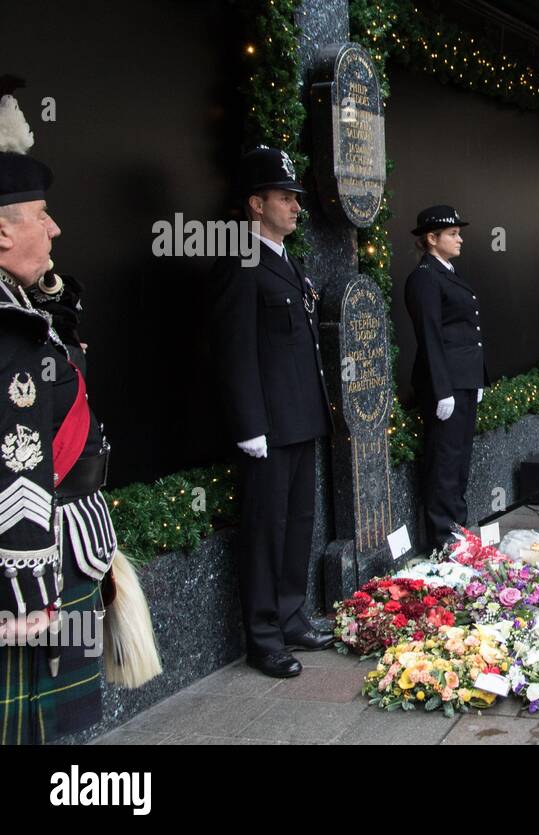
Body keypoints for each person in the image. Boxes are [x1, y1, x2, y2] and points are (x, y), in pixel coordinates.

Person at [1, 96, 118, 742]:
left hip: (63, 543)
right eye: (41, 216)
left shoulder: (29, 306)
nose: (55, 229)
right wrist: (26, 586)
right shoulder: (10, 328)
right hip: (32, 566)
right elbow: (18, 459)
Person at [209, 146, 336, 679]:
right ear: (255, 205)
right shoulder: (242, 264)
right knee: (265, 530)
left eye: (295, 198)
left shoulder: (288, 261)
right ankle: (263, 636)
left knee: (299, 522)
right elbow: (234, 350)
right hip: (268, 425)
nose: (294, 207)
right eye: (284, 198)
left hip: (301, 416)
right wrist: (250, 425)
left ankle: (290, 615)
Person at [405, 205, 487, 551]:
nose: (459, 238)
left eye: (458, 232)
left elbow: (469, 332)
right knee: (444, 460)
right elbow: (430, 336)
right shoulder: (425, 276)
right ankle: (443, 538)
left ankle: (457, 530)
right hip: (446, 384)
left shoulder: (447, 271)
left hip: (463, 380)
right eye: (452, 233)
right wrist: (441, 390)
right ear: (432, 238)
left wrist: (478, 380)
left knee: (460, 458)